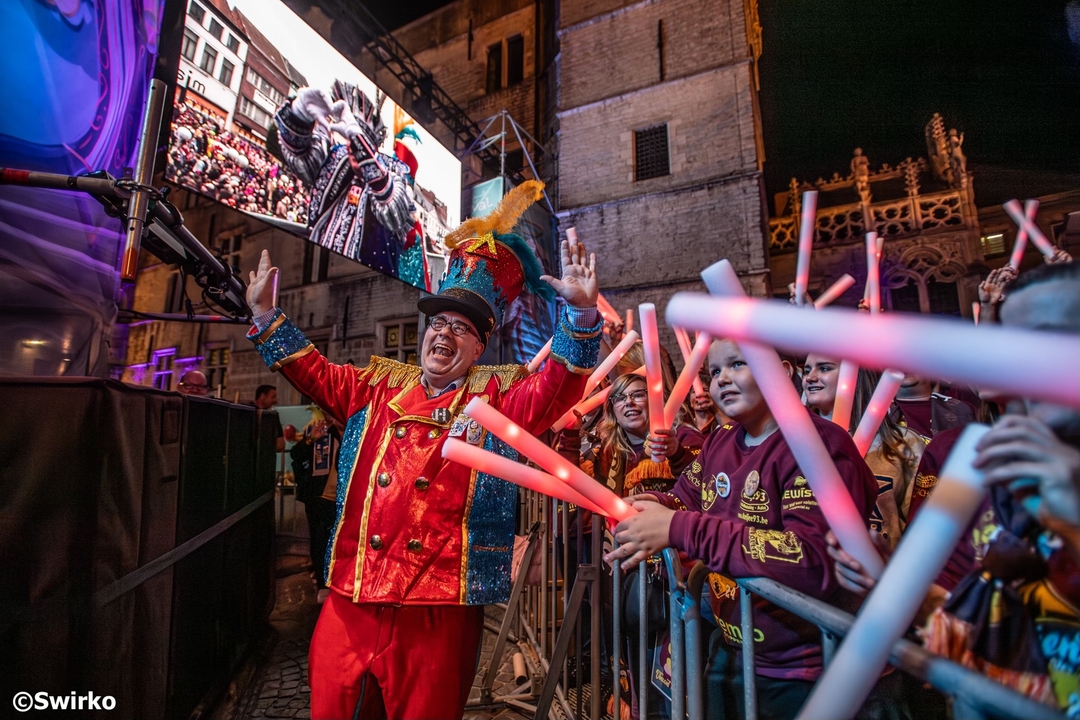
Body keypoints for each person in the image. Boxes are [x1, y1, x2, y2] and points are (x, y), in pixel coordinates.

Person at [245, 180, 603, 719]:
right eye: (437, 322)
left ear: (479, 347)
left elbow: (557, 386)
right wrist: (268, 319)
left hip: (441, 610)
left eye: (461, 329)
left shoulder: (494, 399)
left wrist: (579, 318)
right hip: (353, 599)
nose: (443, 335)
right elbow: (314, 372)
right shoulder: (376, 387)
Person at [606, 339, 878, 720]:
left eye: (737, 364)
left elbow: (810, 558)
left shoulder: (816, 445)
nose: (723, 380)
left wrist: (679, 527)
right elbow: (686, 496)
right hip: (736, 650)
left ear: (783, 374)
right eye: (715, 372)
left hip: (809, 667)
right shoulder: (721, 441)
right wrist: (647, 506)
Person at [274, 81, 414, 275]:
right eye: (349, 139)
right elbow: (302, 159)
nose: (352, 147)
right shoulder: (335, 157)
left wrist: (368, 163)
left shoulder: (394, 170)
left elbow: (396, 213)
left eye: (357, 139)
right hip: (317, 272)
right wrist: (300, 114)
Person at [254, 384, 286, 452]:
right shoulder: (247, 412)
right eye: (273, 397)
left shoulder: (273, 416)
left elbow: (280, 445)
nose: (275, 401)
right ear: (262, 396)